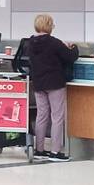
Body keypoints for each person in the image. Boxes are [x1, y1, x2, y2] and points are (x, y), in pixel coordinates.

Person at [22, 14, 80, 161]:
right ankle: (55, 151)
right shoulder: (54, 42)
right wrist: (73, 47)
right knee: (57, 117)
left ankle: (39, 150)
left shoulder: (30, 43)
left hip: (39, 83)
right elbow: (70, 56)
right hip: (55, 83)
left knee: (42, 116)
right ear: (48, 26)